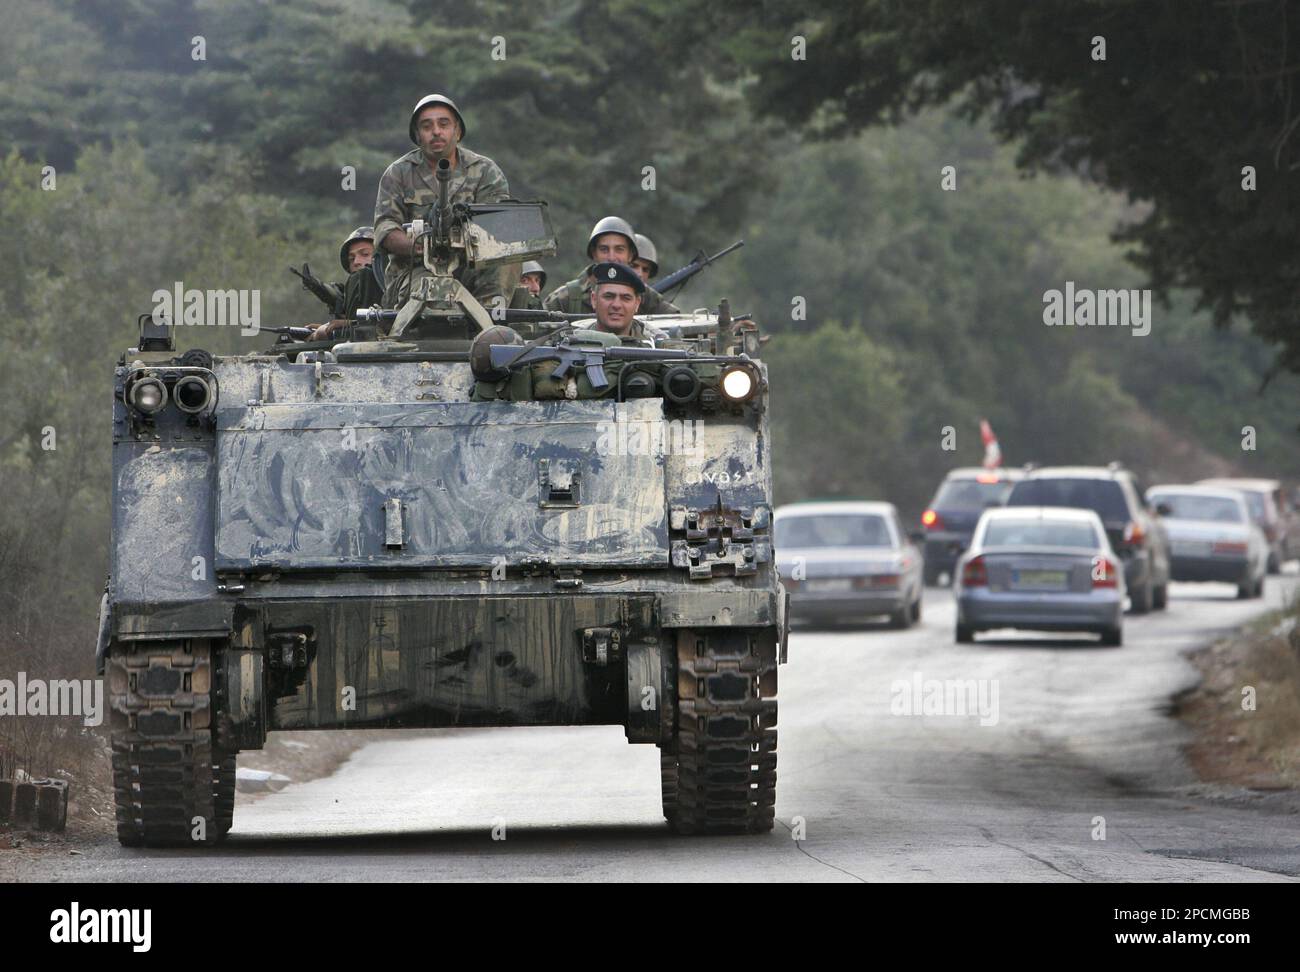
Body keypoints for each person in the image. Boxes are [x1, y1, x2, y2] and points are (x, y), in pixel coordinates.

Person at [373, 93, 518, 312]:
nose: (436, 132)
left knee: (509, 255)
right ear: (418, 135)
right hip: (416, 271)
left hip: (472, 266)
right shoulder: (399, 174)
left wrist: (461, 242)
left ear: (457, 131)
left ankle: (487, 322)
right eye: (426, 126)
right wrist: (421, 247)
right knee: (436, 297)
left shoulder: (485, 171)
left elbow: (498, 226)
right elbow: (385, 228)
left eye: (444, 124)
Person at [543, 217, 680, 315]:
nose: (611, 257)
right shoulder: (565, 298)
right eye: (604, 249)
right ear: (593, 253)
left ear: (630, 255)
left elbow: (676, 321)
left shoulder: (644, 295)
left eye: (619, 249)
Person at [581, 262, 664, 342]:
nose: (616, 305)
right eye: (609, 297)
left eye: (626, 298)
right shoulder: (575, 341)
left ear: (637, 303)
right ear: (594, 299)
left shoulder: (655, 343)